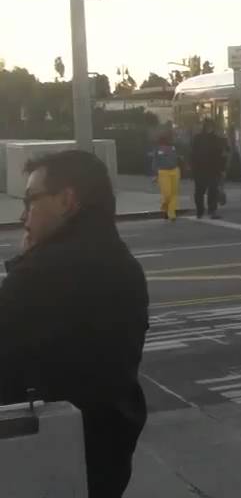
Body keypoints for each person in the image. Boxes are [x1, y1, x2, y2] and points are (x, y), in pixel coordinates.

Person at [0, 150, 149, 498]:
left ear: (66, 200)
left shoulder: (43, 275)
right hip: (107, 447)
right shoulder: (123, 264)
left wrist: (26, 262)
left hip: (47, 456)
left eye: (30, 200)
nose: (24, 215)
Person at [190, 119, 227, 219]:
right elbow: (193, 154)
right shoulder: (198, 138)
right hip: (201, 169)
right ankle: (200, 211)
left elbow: (222, 155)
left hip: (213, 169)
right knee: (200, 191)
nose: (209, 127)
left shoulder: (216, 139)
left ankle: (211, 210)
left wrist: (222, 169)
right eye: (207, 125)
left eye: (211, 125)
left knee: (212, 190)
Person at [148, 128, 181, 221]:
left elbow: (176, 158)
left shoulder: (173, 147)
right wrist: (155, 174)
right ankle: (166, 208)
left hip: (174, 171)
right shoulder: (158, 149)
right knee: (167, 193)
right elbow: (155, 161)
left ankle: (171, 213)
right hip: (163, 172)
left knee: (174, 193)